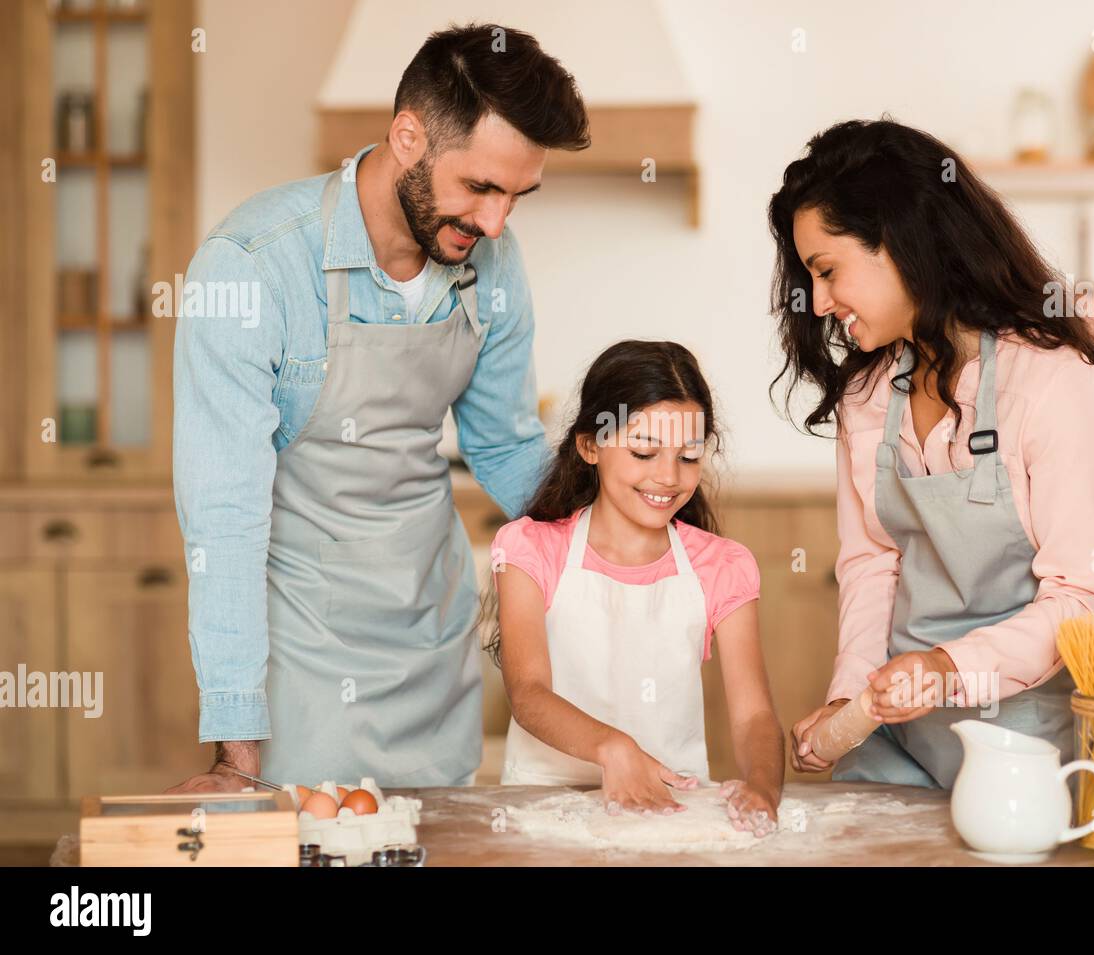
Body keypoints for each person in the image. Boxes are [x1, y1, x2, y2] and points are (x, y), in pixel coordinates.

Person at [168, 24, 589, 792]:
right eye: (480, 188)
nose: (495, 224)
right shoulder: (252, 268)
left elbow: (503, 446)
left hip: (433, 643)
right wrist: (236, 747)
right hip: (303, 651)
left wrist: (614, 525)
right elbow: (222, 519)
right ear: (408, 137)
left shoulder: (493, 264)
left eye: (515, 197)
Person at [769, 120, 1094, 788]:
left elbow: (1080, 600)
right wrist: (848, 702)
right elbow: (872, 564)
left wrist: (943, 671)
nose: (819, 300)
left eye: (827, 270)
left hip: (1021, 748)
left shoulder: (1053, 384)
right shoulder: (867, 395)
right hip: (892, 741)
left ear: (901, 242)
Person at [486, 341, 783, 832]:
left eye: (688, 456)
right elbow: (528, 693)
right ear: (590, 446)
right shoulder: (528, 548)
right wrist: (613, 748)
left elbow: (754, 715)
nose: (668, 477)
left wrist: (763, 788)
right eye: (644, 451)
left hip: (671, 813)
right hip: (542, 813)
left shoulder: (723, 564)